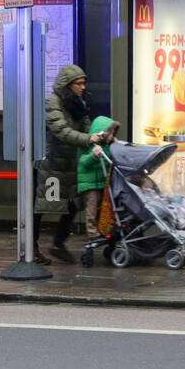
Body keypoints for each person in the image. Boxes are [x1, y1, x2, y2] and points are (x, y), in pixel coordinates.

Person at [34, 64, 106, 264]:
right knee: (42, 206)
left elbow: (85, 125)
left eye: (84, 83)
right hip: (52, 167)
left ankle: (58, 244)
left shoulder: (76, 102)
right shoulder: (53, 102)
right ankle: (31, 247)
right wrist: (88, 139)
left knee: (73, 204)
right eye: (79, 84)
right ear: (67, 85)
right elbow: (61, 130)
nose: (83, 87)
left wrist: (99, 134)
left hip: (70, 164)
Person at [77, 115, 119, 266]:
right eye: (111, 133)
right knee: (92, 208)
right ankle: (92, 234)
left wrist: (117, 145)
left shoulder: (109, 147)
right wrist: (93, 155)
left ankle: (105, 230)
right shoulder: (90, 145)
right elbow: (83, 163)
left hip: (103, 182)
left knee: (105, 208)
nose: (113, 136)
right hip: (90, 184)